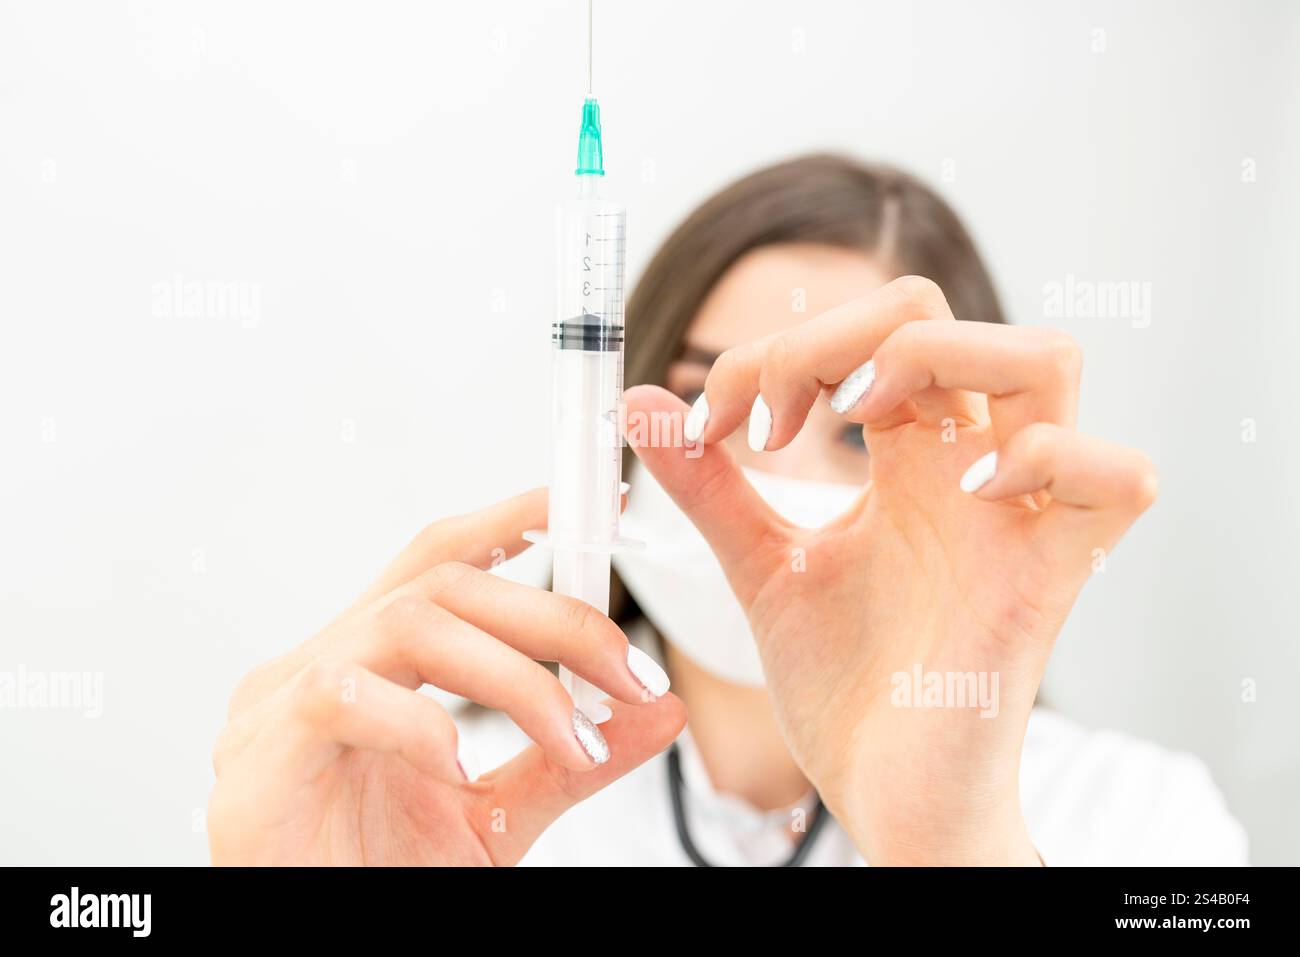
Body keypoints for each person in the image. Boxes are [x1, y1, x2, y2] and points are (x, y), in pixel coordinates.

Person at [208, 155, 1246, 866]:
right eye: (715, 402)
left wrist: (951, 848)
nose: (764, 471)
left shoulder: (1143, 823)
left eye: (851, 424)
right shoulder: (430, 790)